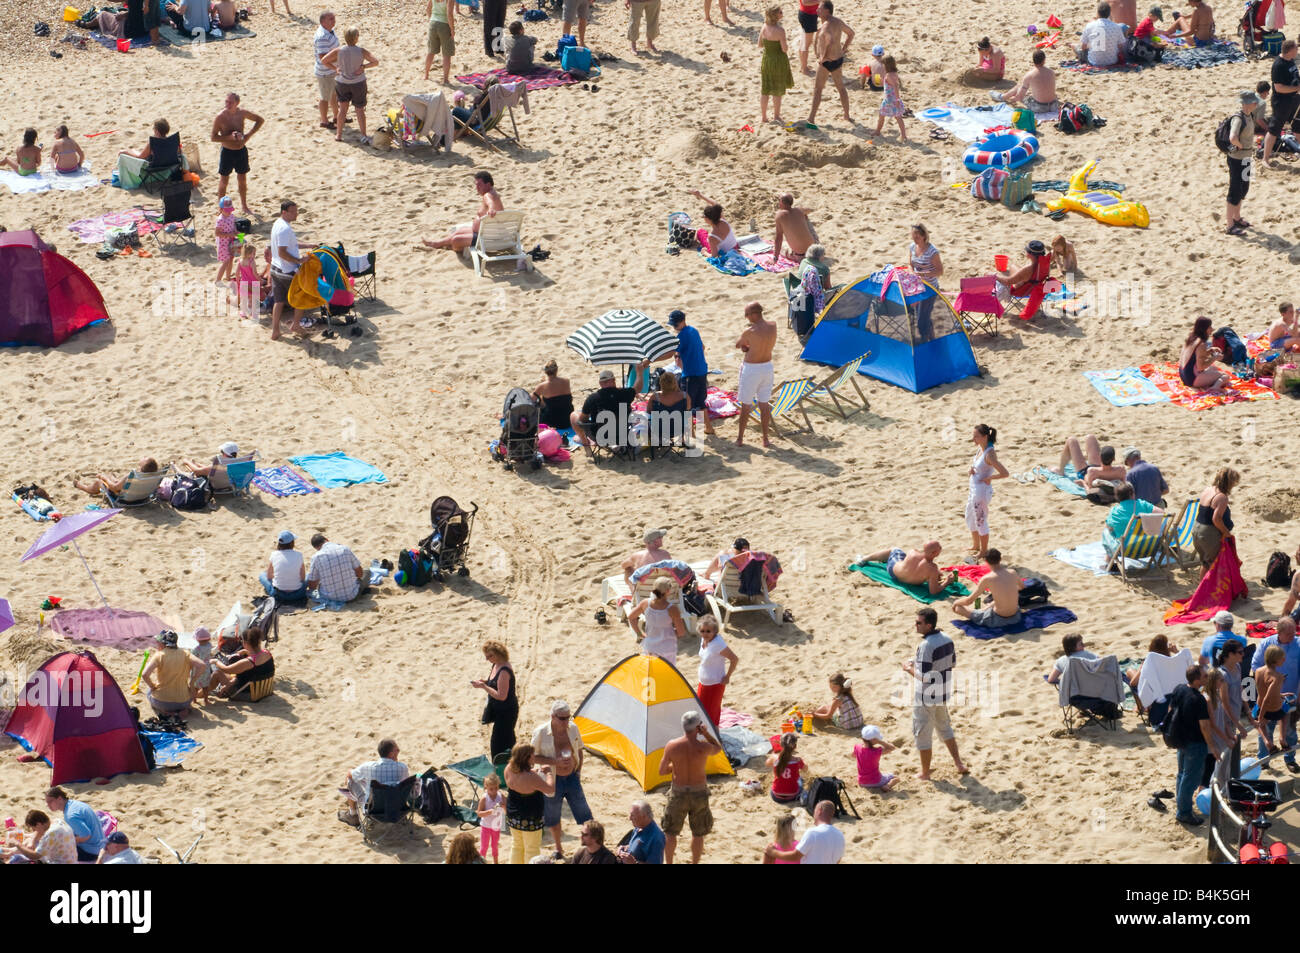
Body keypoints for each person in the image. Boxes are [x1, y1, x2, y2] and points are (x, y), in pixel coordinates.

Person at [904, 608, 967, 780]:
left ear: (929, 625)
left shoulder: (925, 645)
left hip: (926, 696)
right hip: (943, 691)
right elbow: (952, 663)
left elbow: (924, 677)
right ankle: (959, 763)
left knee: (922, 733)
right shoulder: (946, 639)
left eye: (919, 623)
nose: (915, 625)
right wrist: (917, 662)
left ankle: (925, 773)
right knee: (945, 727)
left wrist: (909, 668)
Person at [530, 700, 592, 859]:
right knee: (553, 818)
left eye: (568, 717)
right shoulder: (541, 732)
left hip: (571, 777)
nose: (566, 721)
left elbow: (579, 750)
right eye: (562, 718)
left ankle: (589, 849)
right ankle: (559, 849)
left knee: (585, 816)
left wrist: (578, 772)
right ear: (552, 716)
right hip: (552, 781)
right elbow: (532, 757)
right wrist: (554, 762)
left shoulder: (573, 728)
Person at [659, 711, 721, 863]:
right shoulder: (704, 747)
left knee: (670, 833)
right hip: (699, 792)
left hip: (678, 793)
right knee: (698, 834)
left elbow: (662, 771)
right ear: (698, 727)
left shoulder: (672, 745)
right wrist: (706, 733)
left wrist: (677, 765)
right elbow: (718, 748)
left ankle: (669, 862)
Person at [1166, 666, 1212, 825]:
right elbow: (1204, 727)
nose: (1207, 678)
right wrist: (1211, 745)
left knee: (1182, 774)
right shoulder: (1198, 699)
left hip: (1181, 739)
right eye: (1205, 676)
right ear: (1197, 679)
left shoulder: (1179, 689)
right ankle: (1184, 812)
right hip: (1195, 743)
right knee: (1191, 778)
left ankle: (1182, 806)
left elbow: (1170, 710)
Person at [1253, 617, 1300, 769]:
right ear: (1279, 632)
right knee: (1266, 729)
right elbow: (1255, 665)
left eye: (1294, 632)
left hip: (1292, 695)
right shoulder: (1267, 643)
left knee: (1290, 729)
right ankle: (1264, 760)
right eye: (1289, 634)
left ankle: (1289, 758)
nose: (1293, 636)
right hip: (1271, 699)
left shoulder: (1298, 644)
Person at [321, 27, 377, 145]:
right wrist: (364, 67)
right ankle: (363, 135)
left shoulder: (339, 50)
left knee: (343, 109)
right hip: (358, 83)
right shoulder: (361, 51)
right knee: (359, 110)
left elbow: (324, 61)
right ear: (356, 38)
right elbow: (375, 61)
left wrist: (335, 68)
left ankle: (339, 134)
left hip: (342, 82)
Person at [422, 171, 503, 252]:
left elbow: (490, 202)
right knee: (459, 231)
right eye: (476, 185)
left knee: (456, 240)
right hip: (485, 232)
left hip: (486, 238)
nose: (477, 188)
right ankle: (436, 243)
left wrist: (491, 209)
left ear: (488, 184)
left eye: (479, 185)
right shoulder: (493, 193)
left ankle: (456, 248)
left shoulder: (488, 195)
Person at [210, 92, 263, 216]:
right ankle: (221, 208)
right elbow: (213, 137)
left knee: (242, 180)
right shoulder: (220, 117)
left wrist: (248, 136)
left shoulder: (242, 113)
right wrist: (230, 137)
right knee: (224, 181)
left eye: (230, 102)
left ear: (237, 103)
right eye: (226, 101)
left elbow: (260, 120)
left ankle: (244, 205)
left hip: (241, 151)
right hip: (227, 152)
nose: (227, 104)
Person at [269, 200, 315, 341]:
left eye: (297, 211)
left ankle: (275, 331)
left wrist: (309, 245)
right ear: (284, 212)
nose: (296, 214)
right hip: (286, 271)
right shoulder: (285, 229)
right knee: (301, 298)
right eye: (293, 212)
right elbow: (283, 252)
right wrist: (299, 261)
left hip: (275, 268)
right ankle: (296, 325)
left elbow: (291, 245)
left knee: (279, 301)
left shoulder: (278, 224)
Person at [665, 310, 715, 437]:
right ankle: (709, 428)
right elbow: (702, 347)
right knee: (700, 401)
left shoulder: (681, 336)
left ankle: (690, 433)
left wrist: (649, 360)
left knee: (686, 403)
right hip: (702, 370)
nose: (675, 328)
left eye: (675, 325)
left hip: (690, 374)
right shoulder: (694, 330)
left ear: (682, 321)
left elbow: (672, 353)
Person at [337, 738, 408, 826]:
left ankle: (353, 815)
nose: (399, 751)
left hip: (372, 810)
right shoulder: (403, 767)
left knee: (350, 780)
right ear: (391, 753)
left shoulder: (368, 766)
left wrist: (363, 780)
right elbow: (404, 786)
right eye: (397, 750)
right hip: (397, 808)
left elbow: (349, 775)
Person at [735, 301, 777, 448]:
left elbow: (738, 344)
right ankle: (765, 439)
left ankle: (740, 439)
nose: (746, 317)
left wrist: (747, 346)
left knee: (745, 406)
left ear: (753, 314)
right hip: (767, 367)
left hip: (752, 369)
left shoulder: (749, 332)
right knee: (764, 404)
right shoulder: (773, 326)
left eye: (747, 314)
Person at [503, 744, 554, 864]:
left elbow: (521, 776)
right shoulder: (531, 777)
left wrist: (533, 771)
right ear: (526, 757)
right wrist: (549, 773)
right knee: (531, 849)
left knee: (516, 845)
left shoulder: (509, 768)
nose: (534, 757)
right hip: (531, 816)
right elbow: (550, 789)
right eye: (532, 755)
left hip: (513, 813)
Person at [965, 423, 1009, 559]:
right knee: (969, 516)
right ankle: (975, 545)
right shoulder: (980, 448)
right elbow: (979, 465)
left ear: (984, 437)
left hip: (981, 492)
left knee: (980, 520)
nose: (974, 439)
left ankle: (983, 551)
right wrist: (972, 469)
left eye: (976, 437)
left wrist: (990, 478)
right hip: (974, 489)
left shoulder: (989, 454)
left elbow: (1004, 473)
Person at [807, 2, 854, 125]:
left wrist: (822, 57)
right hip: (838, 59)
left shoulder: (826, 26)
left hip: (827, 62)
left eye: (820, 9)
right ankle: (847, 115)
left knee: (818, 89)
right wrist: (844, 49)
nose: (817, 10)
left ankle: (811, 118)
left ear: (827, 11)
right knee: (841, 88)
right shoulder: (837, 22)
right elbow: (851, 33)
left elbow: (830, 41)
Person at [952, 548, 1024, 628]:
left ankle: (984, 609)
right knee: (997, 600)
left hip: (998, 619)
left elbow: (969, 601)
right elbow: (1021, 587)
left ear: (986, 561)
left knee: (958, 608)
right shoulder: (1012, 572)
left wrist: (955, 602)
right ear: (1000, 559)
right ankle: (987, 607)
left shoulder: (987, 579)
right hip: (1016, 616)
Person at [141, 629, 204, 716]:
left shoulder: (159, 655)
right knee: (187, 694)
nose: (157, 644)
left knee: (148, 692)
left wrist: (152, 686)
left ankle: (167, 712)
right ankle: (183, 710)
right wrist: (192, 681)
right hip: (183, 702)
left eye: (158, 642)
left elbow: (144, 674)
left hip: (162, 701)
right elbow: (202, 665)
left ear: (163, 643)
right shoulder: (186, 654)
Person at [472, 640, 518, 759]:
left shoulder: (504, 671)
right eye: (486, 656)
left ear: (499, 654)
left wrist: (484, 687)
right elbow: (495, 684)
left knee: (499, 743)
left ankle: (505, 767)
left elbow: (501, 696)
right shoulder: (496, 665)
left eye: (490, 656)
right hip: (499, 710)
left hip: (506, 712)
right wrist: (486, 682)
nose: (487, 659)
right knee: (507, 739)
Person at [1224, 91, 1261, 236]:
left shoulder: (1249, 115)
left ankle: (1237, 217)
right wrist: (1239, 145)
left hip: (1246, 158)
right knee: (1234, 191)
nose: (1256, 103)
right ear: (1246, 103)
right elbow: (1232, 137)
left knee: (1244, 188)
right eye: (1254, 102)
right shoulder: (1238, 118)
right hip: (1236, 159)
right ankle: (1229, 225)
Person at [861, 541, 958, 595]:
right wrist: (947, 582)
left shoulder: (913, 552)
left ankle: (865, 558)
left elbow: (917, 566)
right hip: (895, 571)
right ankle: (865, 558)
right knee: (894, 550)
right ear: (934, 553)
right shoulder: (932, 569)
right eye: (939, 548)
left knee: (897, 552)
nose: (941, 549)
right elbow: (934, 591)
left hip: (894, 573)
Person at [764, 800, 844, 863]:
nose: (813, 815)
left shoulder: (813, 833)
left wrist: (773, 852)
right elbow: (837, 860)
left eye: (814, 811)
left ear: (819, 811)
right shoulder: (840, 836)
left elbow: (795, 856)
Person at [626, 581, 687, 664]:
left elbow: (631, 617)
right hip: (667, 647)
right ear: (668, 591)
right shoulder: (672, 609)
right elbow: (681, 632)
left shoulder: (645, 603)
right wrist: (670, 633)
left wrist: (639, 633)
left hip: (650, 646)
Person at [208, 628, 275, 699]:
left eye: (242, 640)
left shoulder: (248, 662)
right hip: (264, 689)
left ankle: (198, 695)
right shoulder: (266, 653)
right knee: (233, 676)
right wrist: (247, 651)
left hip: (248, 693)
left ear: (245, 643)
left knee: (217, 673)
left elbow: (227, 669)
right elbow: (257, 656)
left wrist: (216, 662)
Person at [1192, 467, 1239, 569]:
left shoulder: (1208, 489)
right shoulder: (1222, 497)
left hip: (1196, 530)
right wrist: (1226, 533)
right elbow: (1216, 519)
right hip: (1208, 534)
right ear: (1229, 483)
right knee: (1215, 566)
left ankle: (1203, 585)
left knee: (1205, 564)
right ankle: (1211, 585)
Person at [696, 617, 738, 727]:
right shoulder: (704, 640)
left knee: (711, 713)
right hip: (703, 682)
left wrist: (727, 676)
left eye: (708, 631)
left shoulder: (718, 644)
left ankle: (715, 737)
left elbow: (734, 659)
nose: (705, 634)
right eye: (702, 631)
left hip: (715, 684)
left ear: (715, 631)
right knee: (701, 710)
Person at [44, 788, 105, 862]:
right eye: (46, 802)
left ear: (59, 798)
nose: (47, 805)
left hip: (92, 851)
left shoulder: (70, 816)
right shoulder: (74, 804)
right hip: (101, 844)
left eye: (50, 802)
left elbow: (86, 836)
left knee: (54, 853)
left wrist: (69, 840)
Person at [570, 368, 627, 447]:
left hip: (600, 438)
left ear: (600, 383)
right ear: (614, 380)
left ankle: (585, 441)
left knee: (574, 415)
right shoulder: (626, 395)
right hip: (623, 436)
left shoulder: (593, 398)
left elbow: (582, 420)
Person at [1264, 40, 1299, 166]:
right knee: (1274, 129)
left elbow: (1294, 78)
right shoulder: (1278, 65)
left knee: (1298, 127)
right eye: (1296, 49)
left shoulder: (1291, 60)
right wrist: (1297, 89)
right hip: (1282, 102)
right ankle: (1265, 159)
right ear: (1290, 50)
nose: (1298, 51)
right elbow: (1279, 88)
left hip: (1294, 100)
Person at [994, 240, 1051, 316]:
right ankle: (1019, 278)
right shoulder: (1045, 264)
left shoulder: (1028, 268)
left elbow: (1007, 282)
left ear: (1030, 254)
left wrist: (994, 275)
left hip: (1020, 290)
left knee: (997, 280)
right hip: (1033, 287)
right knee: (1013, 266)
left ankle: (995, 306)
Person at [306, 533, 366, 604]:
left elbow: (312, 585)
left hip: (329, 597)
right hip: (352, 596)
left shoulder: (316, 557)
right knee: (367, 572)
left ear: (316, 548)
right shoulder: (345, 549)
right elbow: (360, 574)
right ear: (327, 540)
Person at [759, 7, 795, 124]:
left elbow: (760, 44)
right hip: (778, 61)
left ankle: (764, 117)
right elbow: (784, 49)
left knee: (765, 90)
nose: (782, 13)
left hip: (767, 60)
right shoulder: (780, 30)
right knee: (777, 91)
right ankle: (776, 116)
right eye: (780, 12)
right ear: (776, 16)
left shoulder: (764, 27)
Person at [1102, 482, 1159, 555]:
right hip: (1148, 547)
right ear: (1131, 494)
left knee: (1106, 532)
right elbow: (1162, 514)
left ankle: (1108, 560)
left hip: (1125, 551)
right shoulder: (1142, 504)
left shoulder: (1115, 511)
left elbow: (1109, 527)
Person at [992, 50, 1058, 112]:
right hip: (1054, 105)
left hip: (1040, 107)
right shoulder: (1051, 72)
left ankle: (1002, 97)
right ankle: (1003, 96)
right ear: (1044, 60)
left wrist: (1013, 99)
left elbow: (1020, 97)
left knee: (1020, 86)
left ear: (1033, 61)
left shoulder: (1030, 75)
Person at [3, 810, 76, 864]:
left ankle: (8, 853)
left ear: (38, 824)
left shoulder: (50, 834)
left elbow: (35, 856)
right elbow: (37, 833)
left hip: (59, 862)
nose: (34, 831)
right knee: (29, 842)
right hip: (71, 860)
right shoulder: (58, 821)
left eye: (34, 828)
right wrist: (28, 837)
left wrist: (17, 844)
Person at [1253, 646, 1290, 754]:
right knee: (1284, 713)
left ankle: (1267, 741)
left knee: (1260, 724)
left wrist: (1280, 694)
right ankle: (1282, 738)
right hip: (1273, 710)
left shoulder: (1258, 671)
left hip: (1260, 707)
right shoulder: (1277, 677)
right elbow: (1267, 699)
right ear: (1275, 659)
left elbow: (1263, 691)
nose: (1284, 660)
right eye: (1282, 658)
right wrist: (1260, 717)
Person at [1050, 435, 1125, 486]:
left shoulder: (1091, 471)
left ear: (1100, 458)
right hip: (1098, 467)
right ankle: (1086, 456)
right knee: (1090, 437)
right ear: (1114, 459)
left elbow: (1087, 484)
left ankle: (1061, 470)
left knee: (1071, 440)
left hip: (1084, 473)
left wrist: (1082, 482)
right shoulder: (1121, 470)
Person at [1180, 316, 1229, 391]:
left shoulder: (1191, 338)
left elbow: (1195, 356)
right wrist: (1214, 358)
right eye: (1210, 327)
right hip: (1192, 379)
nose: (1212, 329)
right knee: (1225, 376)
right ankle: (1215, 388)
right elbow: (1201, 367)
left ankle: (1208, 384)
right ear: (1204, 329)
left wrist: (1210, 350)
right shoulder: (1201, 344)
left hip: (1183, 375)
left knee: (1214, 368)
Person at [73, 457, 160, 498]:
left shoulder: (133, 476)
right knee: (111, 476)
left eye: (144, 458)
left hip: (124, 498)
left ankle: (82, 487)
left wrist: (104, 478)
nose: (143, 457)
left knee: (98, 482)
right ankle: (111, 477)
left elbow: (114, 488)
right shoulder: (154, 476)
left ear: (141, 467)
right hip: (142, 497)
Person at [259, 530, 307, 602]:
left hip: (278, 595)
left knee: (262, 575)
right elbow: (302, 578)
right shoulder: (299, 555)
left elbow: (269, 576)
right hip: (298, 594)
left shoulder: (274, 554)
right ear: (292, 543)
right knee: (308, 576)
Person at [686, 189, 736, 255]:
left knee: (700, 232)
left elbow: (714, 256)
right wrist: (700, 195)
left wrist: (705, 253)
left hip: (724, 253)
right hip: (734, 247)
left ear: (708, 219)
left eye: (704, 216)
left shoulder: (712, 237)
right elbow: (715, 204)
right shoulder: (723, 220)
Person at [1078, 2, 1128, 67]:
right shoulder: (1117, 27)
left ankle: (1072, 46)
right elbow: (1121, 46)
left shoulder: (1090, 25)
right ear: (1109, 13)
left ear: (1098, 13)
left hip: (1094, 62)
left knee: (1077, 48)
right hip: (1112, 61)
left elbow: (1083, 47)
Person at [616, 799, 665, 863]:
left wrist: (634, 863)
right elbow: (638, 848)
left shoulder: (656, 838)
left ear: (644, 816)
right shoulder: (639, 826)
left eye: (633, 815)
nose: (629, 818)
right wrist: (624, 849)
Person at [772, 193, 817, 261]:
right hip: (815, 250)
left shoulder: (779, 216)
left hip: (801, 256)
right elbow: (808, 210)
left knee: (777, 247)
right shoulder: (799, 210)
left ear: (781, 203)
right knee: (805, 217)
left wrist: (775, 258)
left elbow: (779, 238)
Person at [531, 360, 574, 431]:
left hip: (553, 423)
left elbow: (532, 399)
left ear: (545, 372)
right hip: (568, 420)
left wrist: (541, 385)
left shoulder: (542, 386)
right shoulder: (566, 381)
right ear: (557, 370)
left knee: (539, 402)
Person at [766, 731, 807, 803]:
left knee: (776, 780)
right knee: (800, 779)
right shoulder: (797, 760)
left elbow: (767, 764)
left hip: (776, 796)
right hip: (793, 795)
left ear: (781, 745)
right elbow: (805, 769)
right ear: (795, 747)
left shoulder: (775, 758)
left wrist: (773, 754)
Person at [856, 725, 899, 791]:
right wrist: (880, 742)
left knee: (884, 774)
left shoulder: (857, 747)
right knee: (896, 778)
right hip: (876, 781)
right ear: (874, 739)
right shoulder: (876, 751)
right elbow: (892, 748)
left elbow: (853, 755)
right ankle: (887, 786)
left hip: (861, 781)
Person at [475, 772, 506, 862]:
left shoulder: (501, 796)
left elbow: (507, 812)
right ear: (486, 788)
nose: (494, 791)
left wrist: (504, 807)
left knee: (495, 846)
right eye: (491, 789)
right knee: (484, 847)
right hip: (486, 826)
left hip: (496, 826)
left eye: (496, 788)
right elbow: (479, 813)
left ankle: (496, 862)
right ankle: (481, 862)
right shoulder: (484, 798)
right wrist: (489, 812)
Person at [424, 0, 455, 85]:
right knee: (446, 54)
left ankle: (426, 75)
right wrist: (452, 29)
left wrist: (431, 20)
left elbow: (428, 9)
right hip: (444, 24)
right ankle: (445, 79)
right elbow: (449, 14)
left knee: (431, 51)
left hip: (433, 23)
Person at [181, 440, 245, 480]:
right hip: (233, 483)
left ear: (224, 453)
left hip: (219, 485)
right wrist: (199, 465)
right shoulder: (239, 462)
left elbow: (197, 471)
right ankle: (196, 464)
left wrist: (187, 462)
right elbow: (208, 469)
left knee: (190, 473)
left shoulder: (218, 464)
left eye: (222, 451)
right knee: (203, 468)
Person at [214, 196, 238, 284]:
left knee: (231, 258)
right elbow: (217, 233)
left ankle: (228, 277)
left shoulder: (231, 216)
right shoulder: (220, 220)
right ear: (221, 209)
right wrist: (228, 234)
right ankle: (217, 280)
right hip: (223, 243)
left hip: (231, 241)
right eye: (227, 210)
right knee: (225, 261)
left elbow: (233, 225)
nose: (229, 212)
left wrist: (236, 231)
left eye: (230, 210)